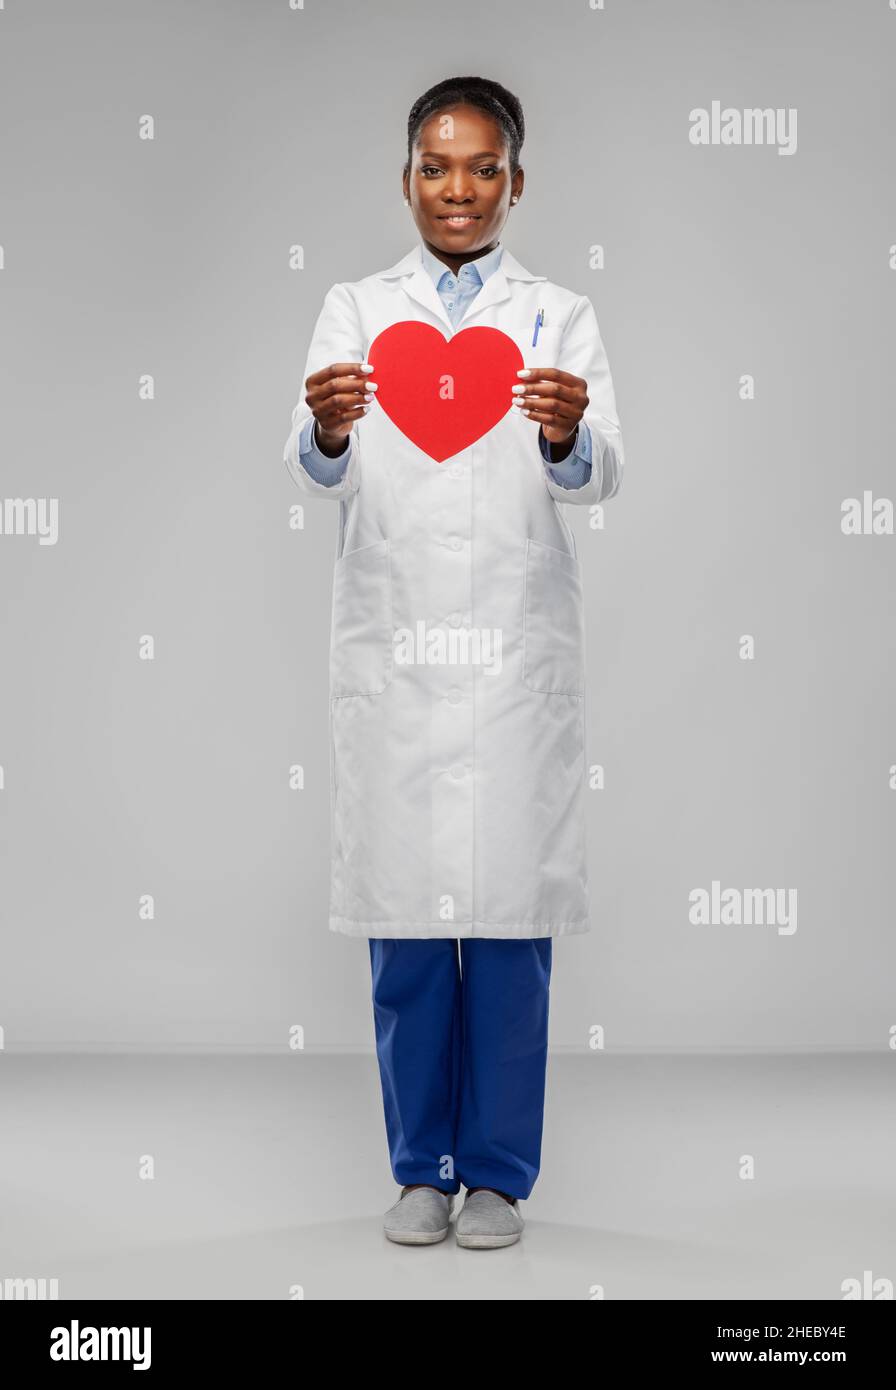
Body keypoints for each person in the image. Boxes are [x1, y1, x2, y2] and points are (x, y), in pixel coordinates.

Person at [283, 76, 624, 1250]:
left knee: (511, 932)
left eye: (484, 168)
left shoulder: (558, 316)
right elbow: (317, 461)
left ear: (516, 183)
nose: (459, 188)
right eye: (437, 166)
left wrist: (569, 429)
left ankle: (496, 1175)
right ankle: (420, 1166)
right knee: (411, 939)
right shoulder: (353, 307)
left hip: (512, 661)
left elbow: (600, 473)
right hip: (399, 659)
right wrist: (328, 426)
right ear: (407, 179)